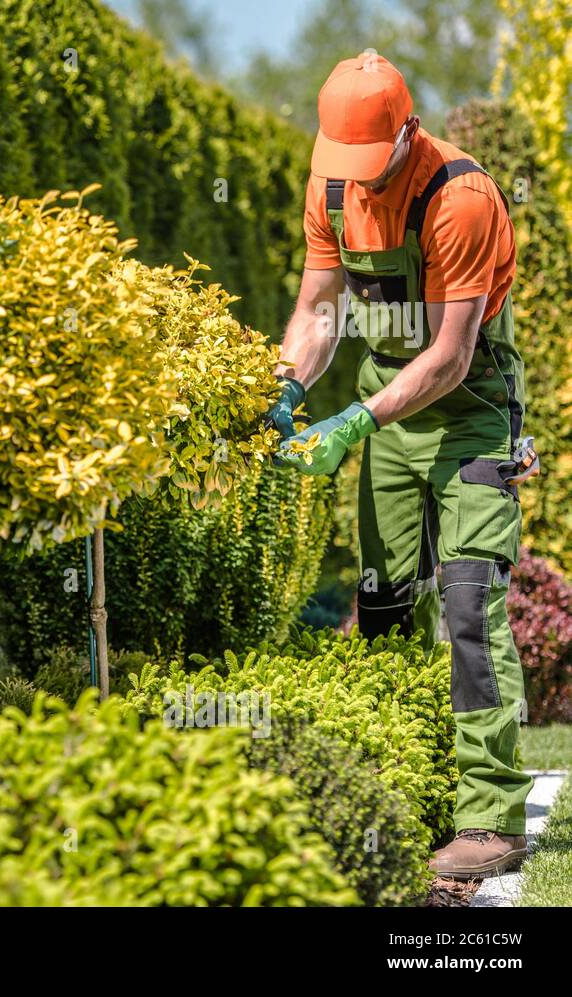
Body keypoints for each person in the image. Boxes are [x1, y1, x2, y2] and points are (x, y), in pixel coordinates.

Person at [269, 53, 532, 880]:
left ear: (407, 133)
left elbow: (451, 357)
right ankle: (402, 785)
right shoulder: (332, 189)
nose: (354, 180)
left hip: (468, 415)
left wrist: (353, 419)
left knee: (466, 603)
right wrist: (285, 385)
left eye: (367, 160)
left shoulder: (462, 200)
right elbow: (317, 310)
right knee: (382, 603)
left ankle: (490, 816)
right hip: (384, 411)